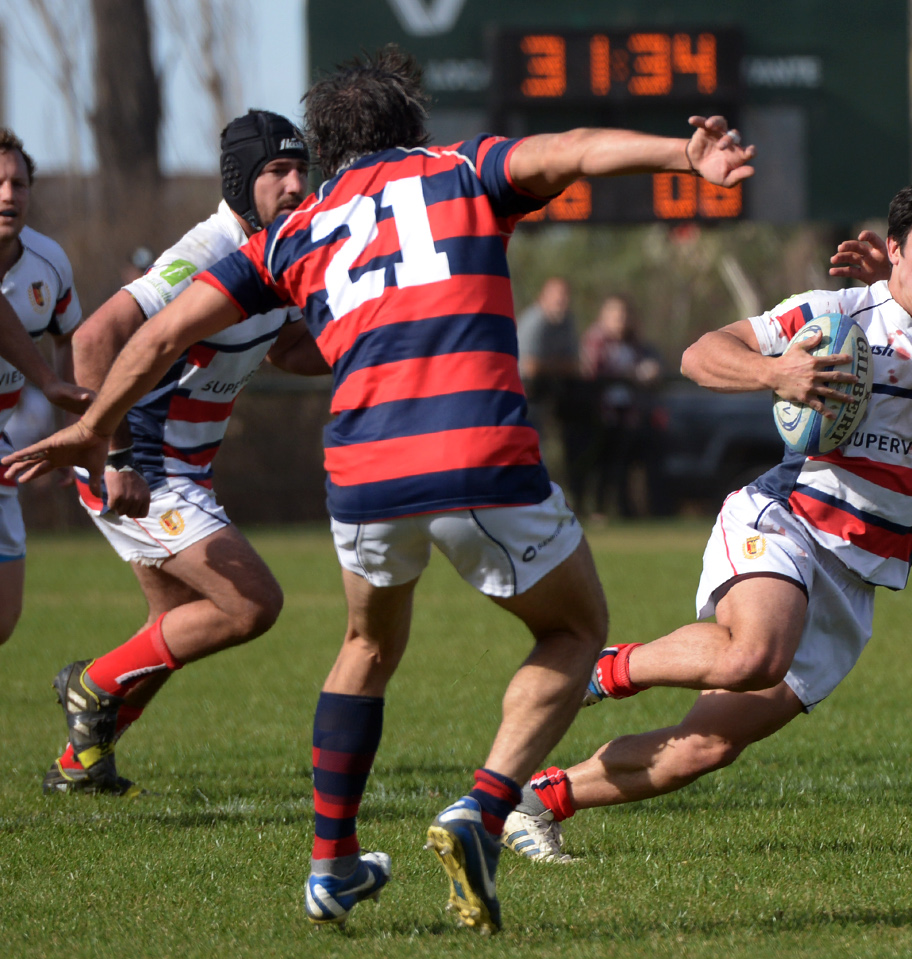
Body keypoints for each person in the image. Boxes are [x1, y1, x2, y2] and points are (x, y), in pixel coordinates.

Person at [4, 47, 755, 932]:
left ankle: (330, 867)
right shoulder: (464, 170)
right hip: (477, 447)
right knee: (574, 627)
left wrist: (96, 427)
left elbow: (164, 329)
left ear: (327, 146)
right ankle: (480, 807)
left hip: (362, 468)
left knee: (365, 644)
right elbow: (575, 147)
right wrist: (683, 157)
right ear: (413, 125)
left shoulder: (296, 228)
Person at [496, 177, 912, 864]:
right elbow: (700, 353)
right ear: (894, 249)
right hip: (785, 519)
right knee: (752, 653)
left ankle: (539, 799)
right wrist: (778, 374)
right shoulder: (840, 313)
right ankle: (606, 667)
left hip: (856, 580)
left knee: (705, 747)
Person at [41, 110, 327, 798]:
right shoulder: (203, 253)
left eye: (300, 170)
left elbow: (287, 347)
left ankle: (79, 765)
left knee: (171, 633)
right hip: (140, 470)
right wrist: (116, 457)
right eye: (276, 173)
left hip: (183, 473)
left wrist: (367, 339)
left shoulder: (283, 248)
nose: (295, 185)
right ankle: (89, 684)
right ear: (239, 182)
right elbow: (93, 339)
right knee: (251, 604)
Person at [0, 128, 95, 645]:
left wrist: (72, 438)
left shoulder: (49, 263)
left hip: (3, 446)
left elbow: (70, 339)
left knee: (4, 619)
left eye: (18, 183)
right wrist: (47, 382)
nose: (8, 195)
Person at [579, 294, 660, 517]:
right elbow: (592, 373)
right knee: (600, 463)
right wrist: (628, 375)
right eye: (615, 315)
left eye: (624, 315)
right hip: (601, 413)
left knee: (621, 464)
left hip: (626, 413)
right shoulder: (596, 340)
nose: (620, 320)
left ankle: (623, 511)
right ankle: (595, 510)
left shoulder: (633, 344)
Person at [516, 276, 592, 505]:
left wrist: (552, 365)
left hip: (551, 392)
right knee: (533, 447)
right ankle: (535, 499)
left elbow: (576, 365)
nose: (562, 301)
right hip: (525, 395)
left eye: (565, 297)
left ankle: (575, 497)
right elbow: (530, 367)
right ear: (543, 297)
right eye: (557, 296)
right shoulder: (535, 321)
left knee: (581, 434)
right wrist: (559, 365)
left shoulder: (567, 321)